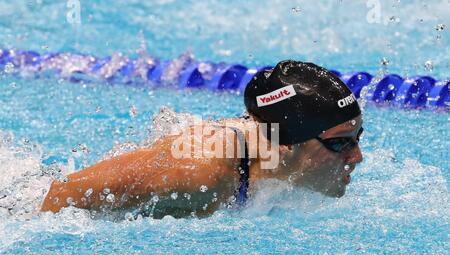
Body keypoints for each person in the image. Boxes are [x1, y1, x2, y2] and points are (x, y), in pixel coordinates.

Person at [40, 60, 363, 218]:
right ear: (285, 142)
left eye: (357, 138)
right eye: (340, 143)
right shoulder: (200, 170)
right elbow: (62, 194)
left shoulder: (274, 158)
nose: (356, 157)